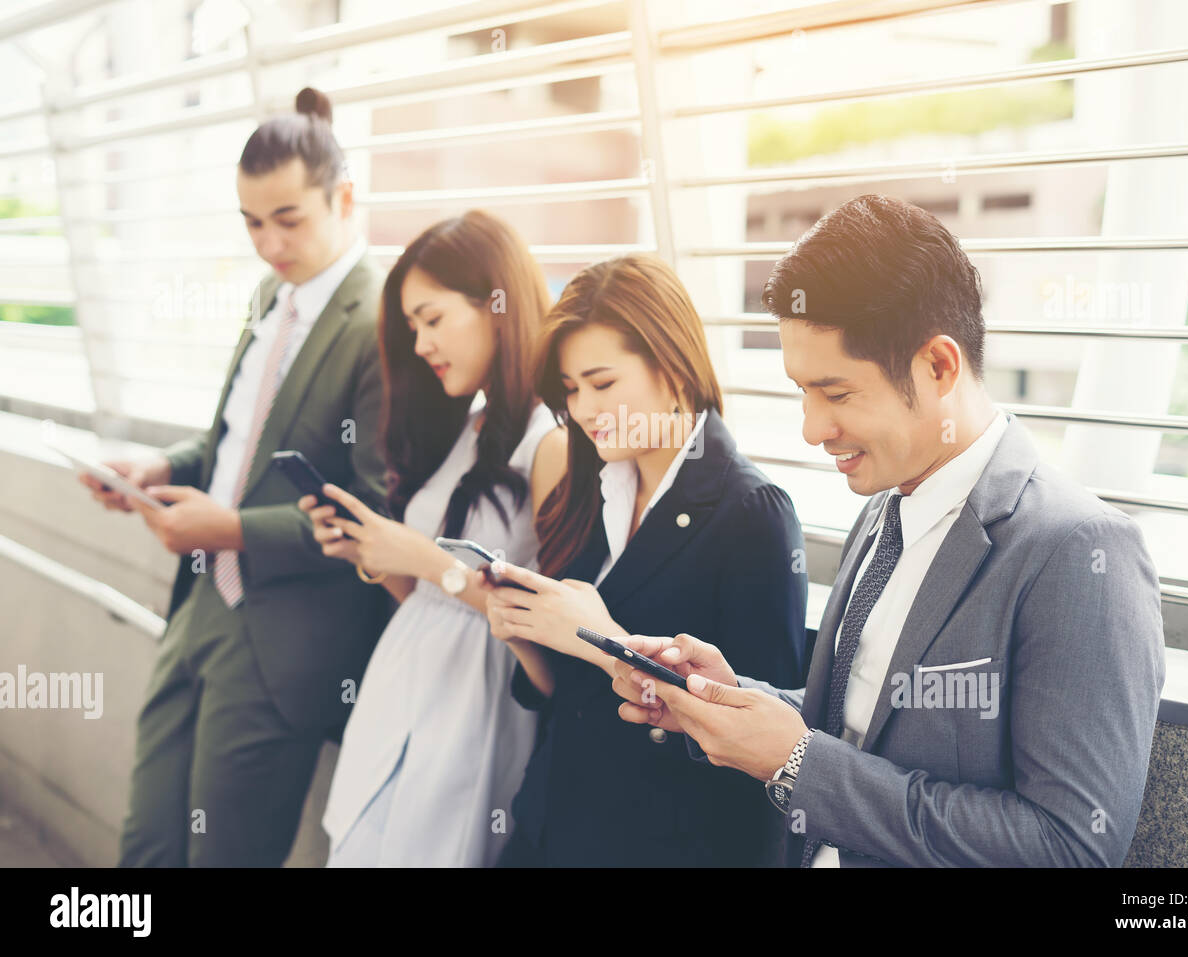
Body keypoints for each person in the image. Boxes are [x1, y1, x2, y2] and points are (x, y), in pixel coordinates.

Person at [609, 194, 1167, 868]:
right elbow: (861, 726)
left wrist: (797, 763)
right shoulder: (883, 509)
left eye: (837, 393)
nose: (813, 429)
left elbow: (1068, 848)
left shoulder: (1079, 552)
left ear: (938, 366)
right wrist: (731, 699)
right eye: (803, 393)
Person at [85, 88, 394, 867]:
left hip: (282, 641)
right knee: (147, 846)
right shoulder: (270, 295)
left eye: (288, 219)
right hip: (197, 608)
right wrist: (160, 468)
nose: (269, 242)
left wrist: (226, 529)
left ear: (345, 198)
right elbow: (238, 445)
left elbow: (376, 514)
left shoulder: (385, 319)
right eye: (252, 222)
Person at [480, 254, 808, 867]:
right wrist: (523, 630)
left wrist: (599, 638)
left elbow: (759, 741)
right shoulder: (595, 486)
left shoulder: (751, 512)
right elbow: (567, 695)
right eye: (572, 390)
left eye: (602, 384)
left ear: (673, 366)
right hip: (548, 827)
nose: (582, 410)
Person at [299, 209, 564, 867]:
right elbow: (423, 591)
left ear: (498, 305)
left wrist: (422, 558)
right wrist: (372, 553)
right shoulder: (474, 425)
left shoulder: (552, 439)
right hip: (402, 685)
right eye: (412, 325)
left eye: (433, 318)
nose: (419, 343)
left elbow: (552, 630)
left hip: (475, 705)